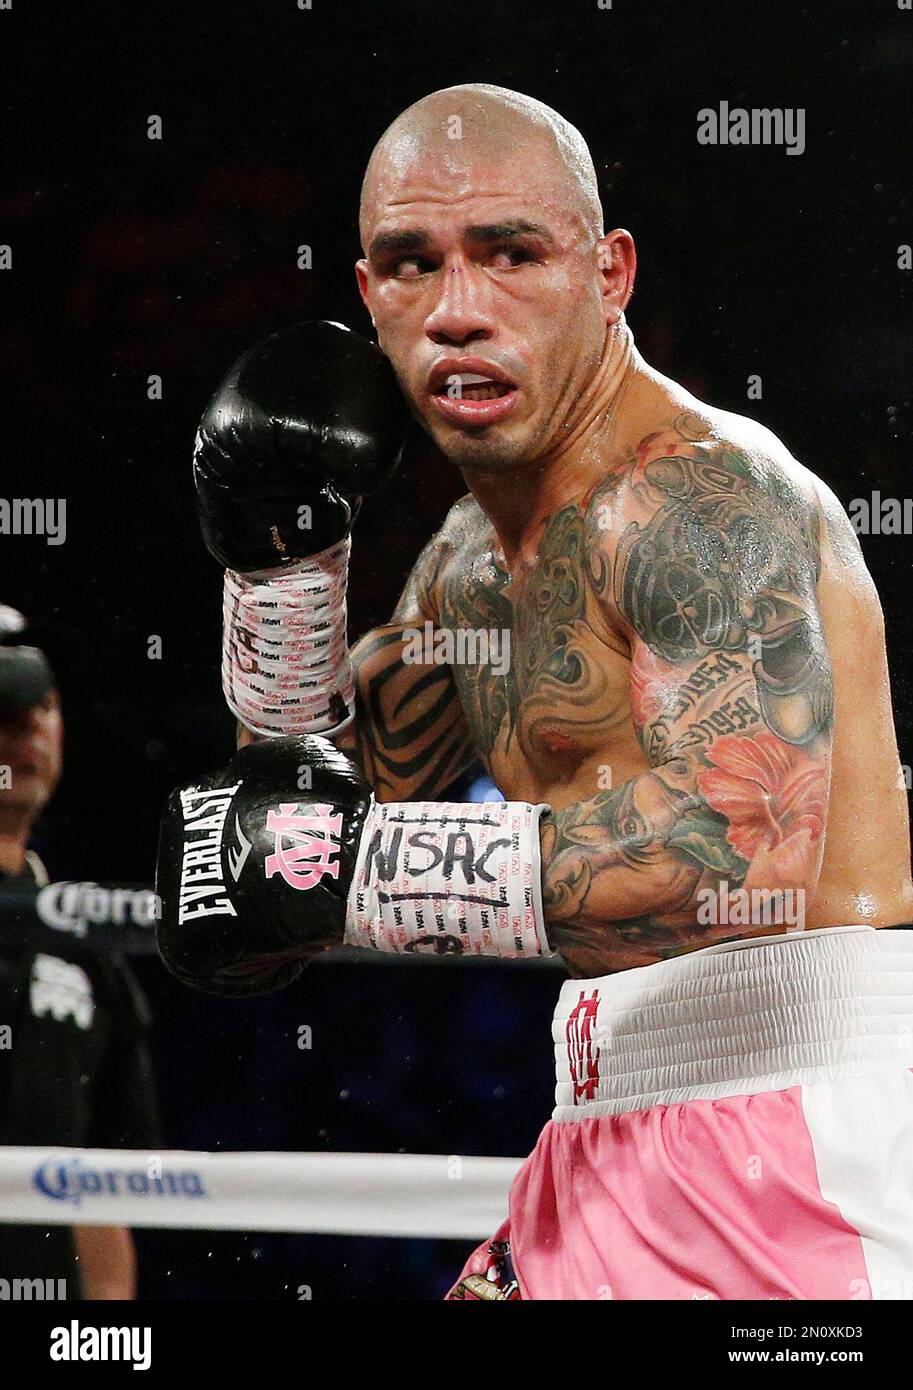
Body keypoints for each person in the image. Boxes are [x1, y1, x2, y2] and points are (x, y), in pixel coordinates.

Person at [157, 85, 913, 1300]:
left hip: (791, 1125)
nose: (460, 311)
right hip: (604, 1113)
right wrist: (279, 569)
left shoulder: (699, 502)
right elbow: (274, 861)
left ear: (608, 274)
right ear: (366, 297)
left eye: (512, 254)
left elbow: (739, 862)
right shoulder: (463, 570)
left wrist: (351, 872)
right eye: (413, 265)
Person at [0, 605, 160, 1299]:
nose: (29, 724)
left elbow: (102, 1187)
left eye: (45, 705)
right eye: (4, 706)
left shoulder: (90, 951)